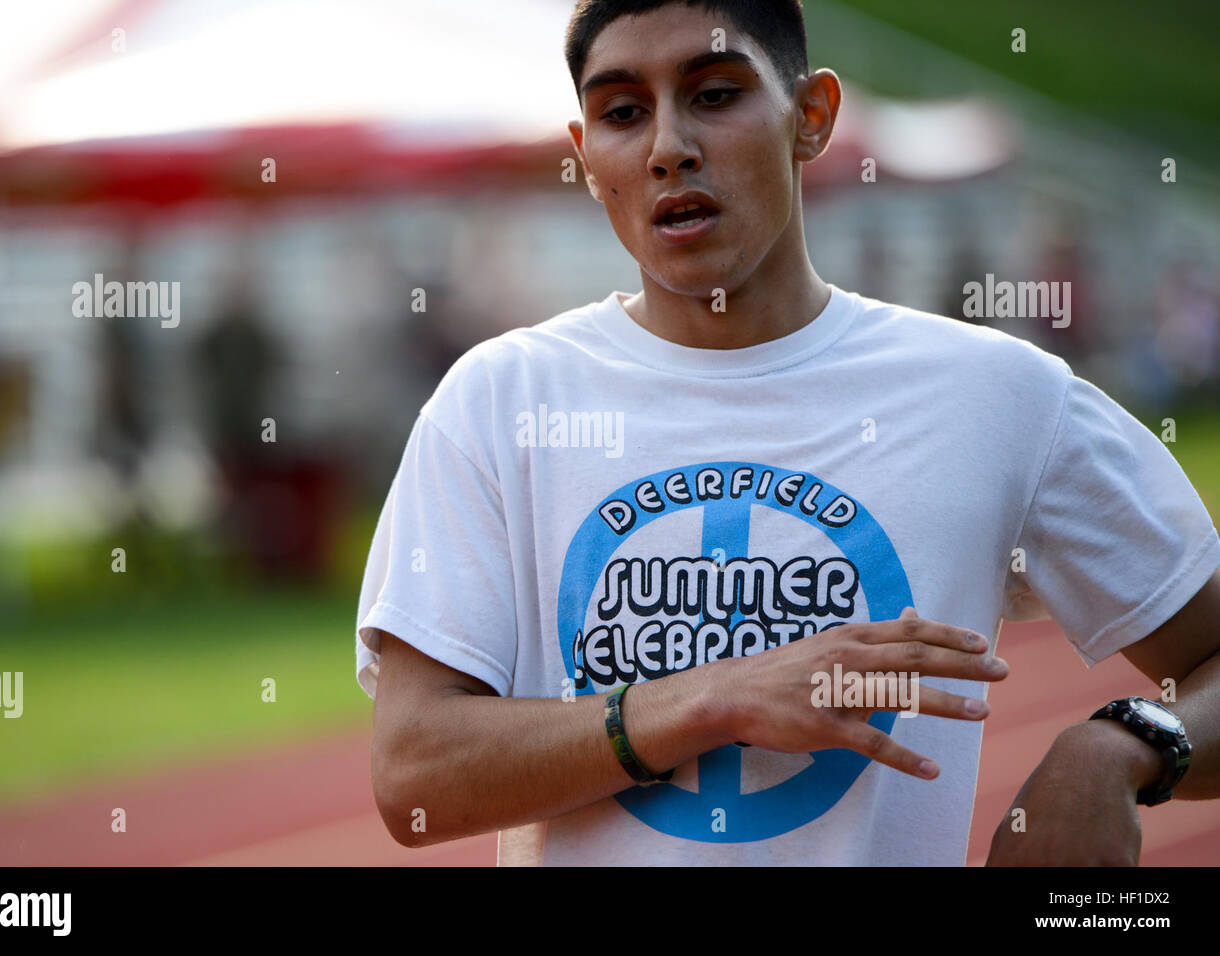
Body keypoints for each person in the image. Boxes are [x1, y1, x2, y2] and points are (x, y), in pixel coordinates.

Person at [355, 0, 1220, 865]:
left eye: (716, 94)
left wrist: (1124, 746)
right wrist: (714, 699)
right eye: (623, 113)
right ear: (585, 159)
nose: (668, 147)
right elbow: (414, 773)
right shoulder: (500, 401)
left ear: (812, 119)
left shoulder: (1001, 396)